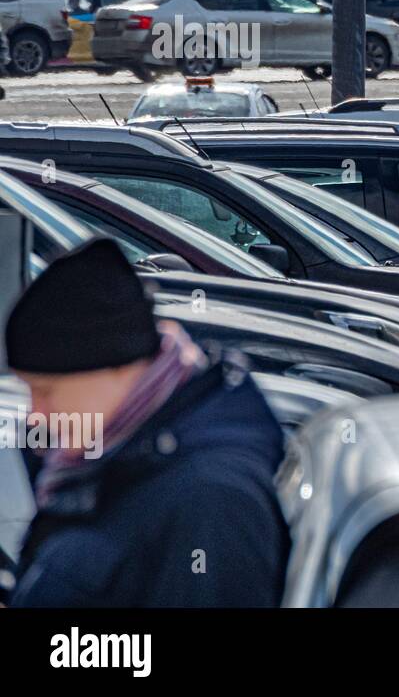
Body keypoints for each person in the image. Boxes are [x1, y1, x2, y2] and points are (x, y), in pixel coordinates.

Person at [2, 238, 289, 607]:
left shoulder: (212, 497)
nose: (36, 415)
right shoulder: (104, 455)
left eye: (47, 391)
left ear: (116, 367)